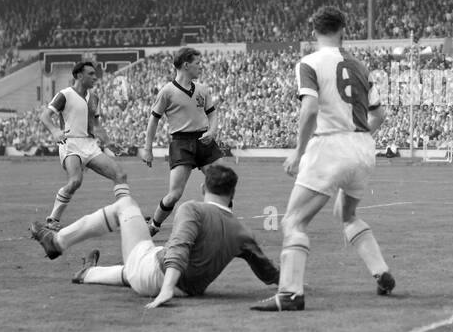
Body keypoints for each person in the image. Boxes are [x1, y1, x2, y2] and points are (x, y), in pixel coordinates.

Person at [251, 5, 395, 311]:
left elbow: (311, 109)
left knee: (293, 221)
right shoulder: (360, 67)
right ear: (344, 30)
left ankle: (290, 294)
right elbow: (380, 115)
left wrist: (298, 152)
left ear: (313, 32)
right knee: (347, 215)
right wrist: (356, 136)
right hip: (363, 148)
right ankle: (381, 271)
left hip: (330, 147)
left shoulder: (309, 63)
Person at [29, 164, 278, 308]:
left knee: (125, 204)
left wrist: (166, 289)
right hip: (188, 288)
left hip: (159, 276)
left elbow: (180, 248)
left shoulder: (193, 208)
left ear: (203, 188)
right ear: (233, 193)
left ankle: (57, 241)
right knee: (140, 261)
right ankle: (88, 273)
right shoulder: (243, 231)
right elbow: (265, 269)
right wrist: (287, 281)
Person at [140, 47, 227, 236]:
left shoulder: (203, 89)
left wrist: (212, 131)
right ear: (186, 65)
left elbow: (212, 115)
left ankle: (223, 225)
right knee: (174, 195)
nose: (200, 67)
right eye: (197, 64)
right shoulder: (167, 92)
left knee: (223, 180)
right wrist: (148, 148)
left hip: (204, 140)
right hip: (181, 143)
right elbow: (153, 120)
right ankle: (154, 225)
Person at [40, 60, 130, 229]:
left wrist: (109, 142)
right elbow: (45, 116)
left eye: (95, 74)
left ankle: (126, 214)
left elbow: (96, 126)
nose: (95, 77)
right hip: (70, 143)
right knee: (75, 181)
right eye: (91, 74)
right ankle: (53, 219)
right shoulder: (64, 94)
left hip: (90, 145)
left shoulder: (94, 98)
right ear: (79, 76)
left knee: (120, 175)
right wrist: (54, 131)